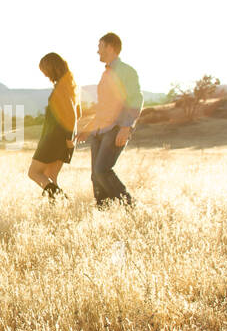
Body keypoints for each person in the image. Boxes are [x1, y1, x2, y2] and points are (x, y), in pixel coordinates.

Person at [76, 32, 142, 206]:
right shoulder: (106, 74)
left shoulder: (126, 71)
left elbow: (135, 100)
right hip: (99, 131)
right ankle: (103, 214)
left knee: (101, 171)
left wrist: (126, 127)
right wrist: (88, 129)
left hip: (114, 129)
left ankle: (131, 207)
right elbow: (103, 107)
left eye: (100, 46)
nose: (98, 51)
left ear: (110, 47)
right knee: (95, 176)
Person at [28, 52, 78, 200]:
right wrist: (70, 138)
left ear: (51, 69)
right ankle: (56, 209)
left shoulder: (61, 88)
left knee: (34, 173)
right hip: (63, 139)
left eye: (44, 70)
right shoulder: (68, 86)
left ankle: (63, 199)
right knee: (51, 177)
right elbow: (77, 113)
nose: (44, 74)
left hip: (54, 139)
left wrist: (69, 137)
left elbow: (72, 115)